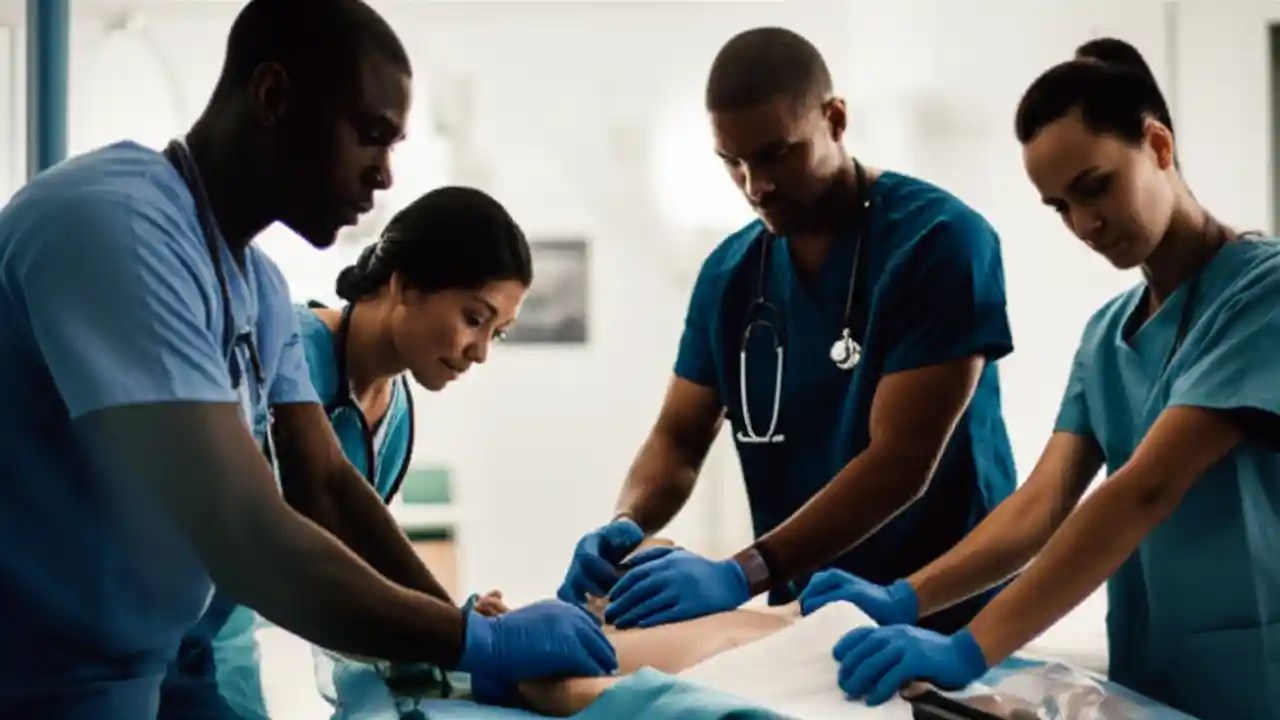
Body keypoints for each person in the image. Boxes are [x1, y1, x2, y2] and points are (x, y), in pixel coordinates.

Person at [0, 1, 611, 717]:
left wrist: (462, 627)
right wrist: (472, 641)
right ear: (272, 96)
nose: (385, 177)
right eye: (370, 137)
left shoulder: (257, 286)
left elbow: (325, 483)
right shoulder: (115, 226)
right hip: (35, 674)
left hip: (140, 665)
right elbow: (243, 528)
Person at [807, 38, 1280, 720]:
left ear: (1158, 145)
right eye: (1059, 206)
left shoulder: (1262, 295)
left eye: (1095, 187)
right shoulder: (1106, 334)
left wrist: (971, 648)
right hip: (1153, 684)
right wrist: (903, 598)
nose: (1084, 224)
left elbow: (1144, 489)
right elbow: (1041, 504)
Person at [558, 26, 1018, 634]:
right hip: (809, 614)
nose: (756, 186)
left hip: (947, 613)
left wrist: (742, 572)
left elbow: (901, 462)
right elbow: (678, 437)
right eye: (733, 163)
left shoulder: (940, 242)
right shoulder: (729, 275)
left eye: (776, 154)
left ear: (835, 119)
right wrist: (626, 523)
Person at [173, 186, 534, 719]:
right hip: (167, 617)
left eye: (497, 334)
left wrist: (453, 619)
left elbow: (358, 565)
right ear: (405, 284)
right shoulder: (284, 350)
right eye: (473, 318)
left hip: (227, 634)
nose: (479, 353)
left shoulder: (396, 414)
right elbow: (285, 549)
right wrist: (450, 633)